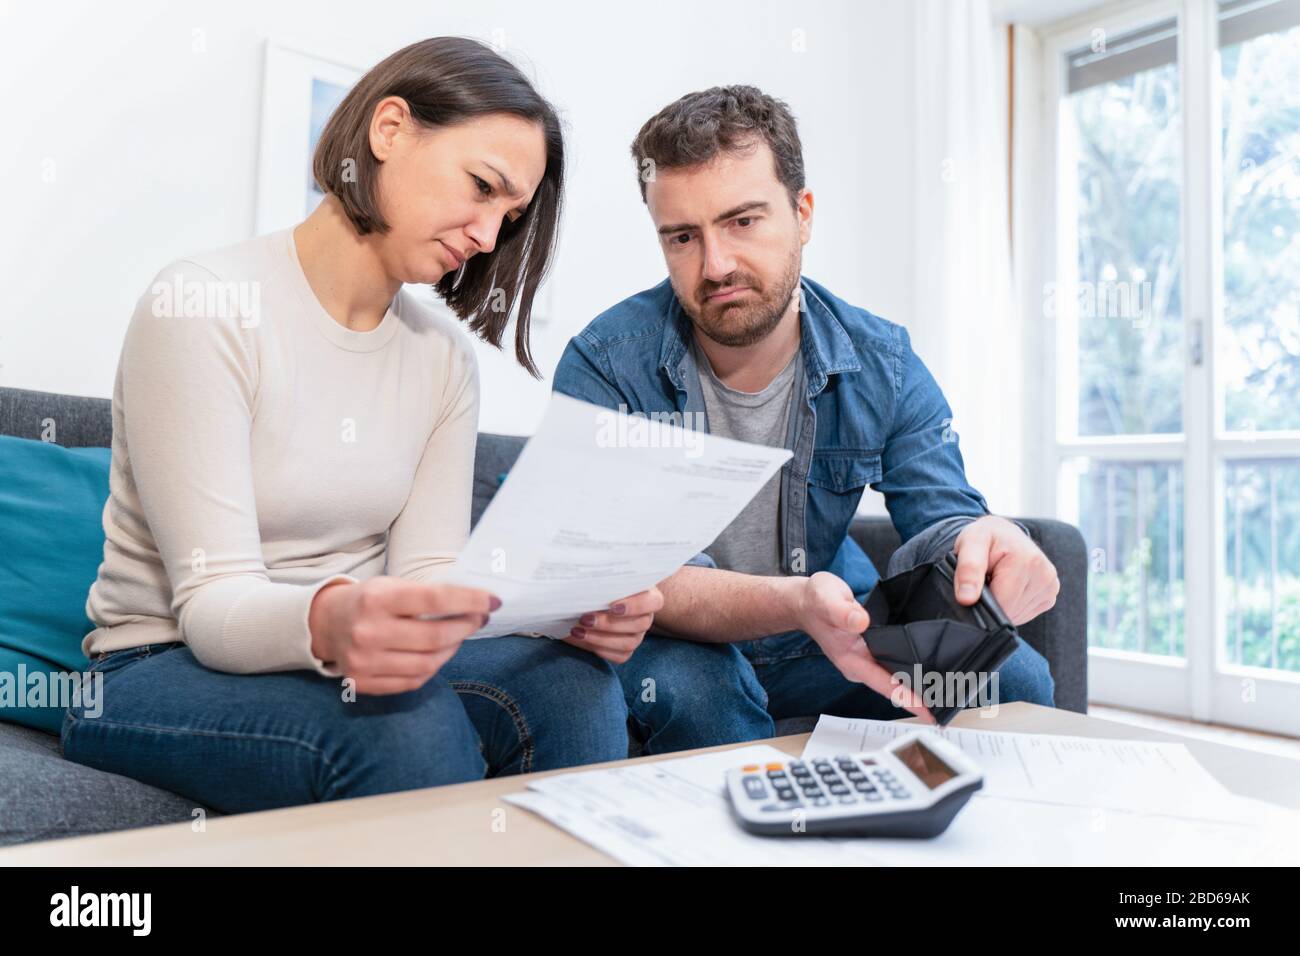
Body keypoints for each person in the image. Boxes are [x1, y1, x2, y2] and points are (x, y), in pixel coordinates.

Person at [63, 37, 661, 814]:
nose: (487, 236)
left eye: (508, 217)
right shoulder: (204, 306)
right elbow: (213, 608)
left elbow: (424, 578)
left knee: (571, 690)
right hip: (155, 664)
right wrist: (335, 615)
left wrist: (565, 612)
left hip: (350, 648)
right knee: (404, 731)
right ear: (389, 130)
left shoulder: (443, 359)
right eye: (482, 187)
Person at [553, 85, 1059, 754]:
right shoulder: (607, 363)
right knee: (698, 697)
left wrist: (989, 539)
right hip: (681, 645)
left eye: (743, 221)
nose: (716, 265)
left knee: (1015, 677)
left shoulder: (884, 362)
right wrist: (793, 599)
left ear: (803, 214)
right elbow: (624, 575)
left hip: (828, 636)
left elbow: (941, 520)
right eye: (683, 236)